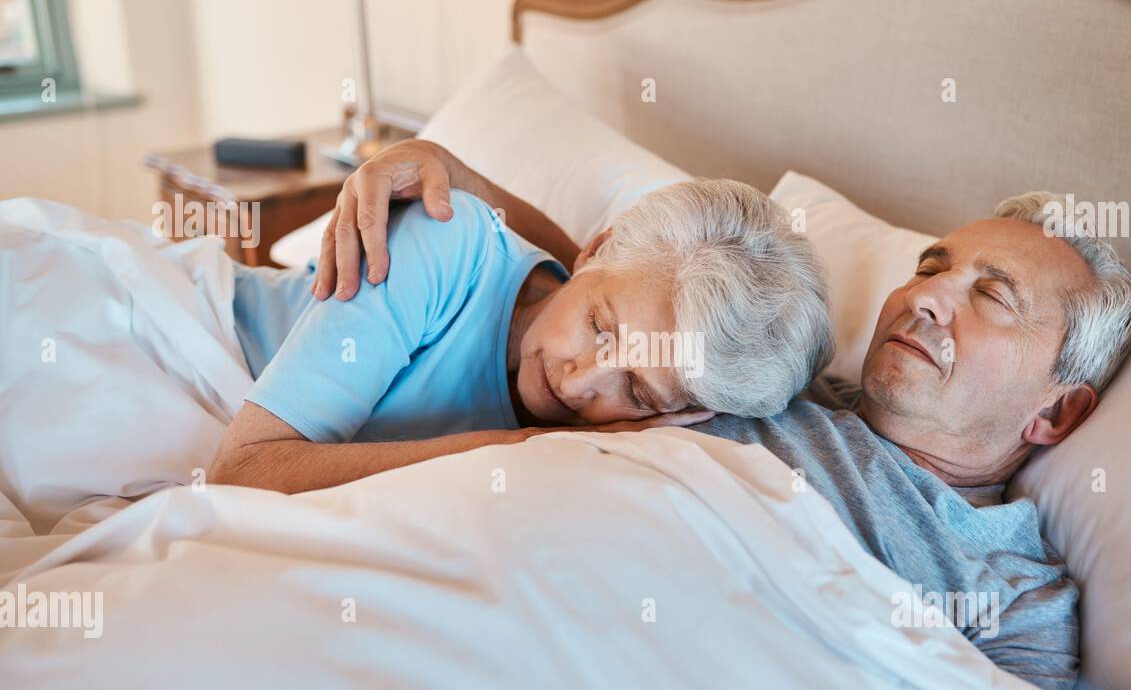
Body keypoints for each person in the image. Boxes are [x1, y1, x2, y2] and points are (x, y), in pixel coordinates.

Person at [315, 140, 1131, 690]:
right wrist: (454, 173)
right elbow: (610, 293)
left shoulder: (1015, 600)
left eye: (992, 295)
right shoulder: (775, 382)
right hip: (473, 587)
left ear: (1058, 409)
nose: (927, 294)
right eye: (932, 265)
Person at [210, 177, 833, 494]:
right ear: (596, 251)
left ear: (689, 412)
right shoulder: (445, 243)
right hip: (189, 323)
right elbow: (242, 472)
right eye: (598, 328)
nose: (577, 381)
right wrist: (529, 442)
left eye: (637, 391)